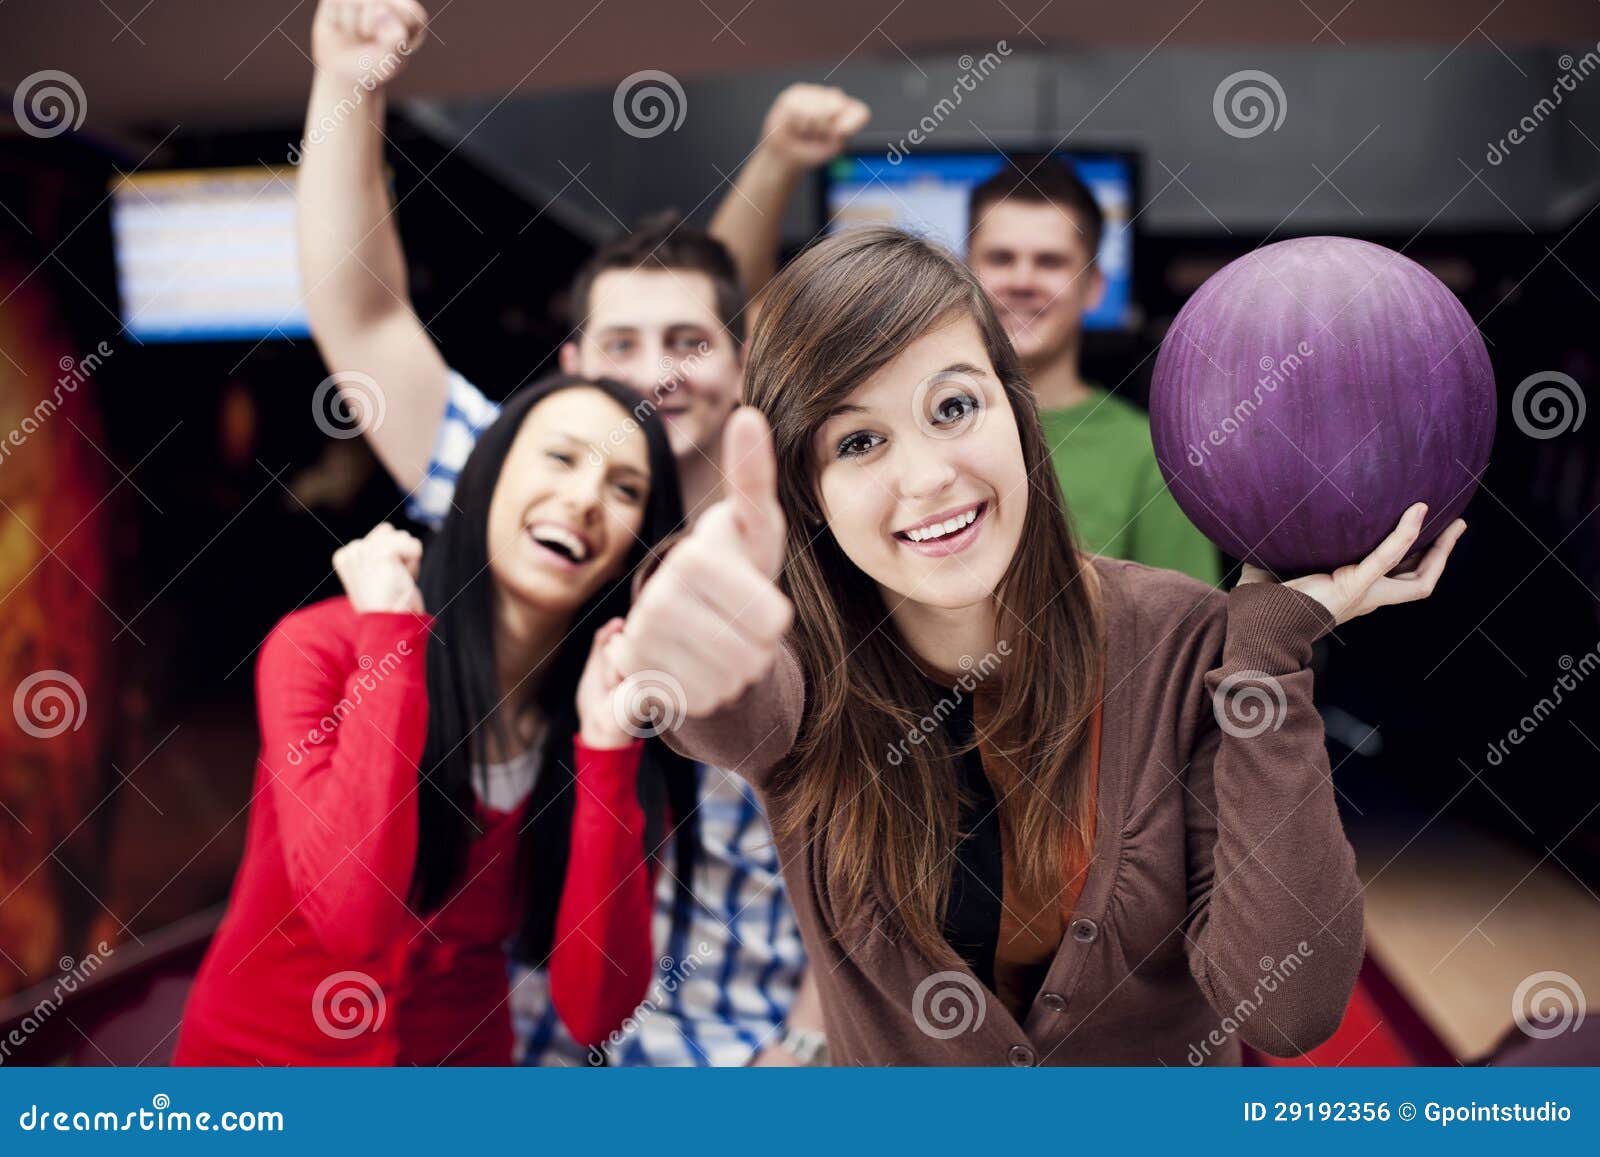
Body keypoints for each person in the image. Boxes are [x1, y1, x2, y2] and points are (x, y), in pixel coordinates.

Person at [608, 227, 1468, 1065]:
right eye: (858, 441)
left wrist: (1271, 653)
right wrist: (685, 625)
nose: (929, 475)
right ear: (810, 491)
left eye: (954, 406)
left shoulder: (1186, 638)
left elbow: (1287, 1008)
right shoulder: (799, 668)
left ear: (1015, 411)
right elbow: (722, 702)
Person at [295, 0, 816, 1065]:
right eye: (621, 340)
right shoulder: (516, 483)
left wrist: (808, 1048)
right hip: (535, 1048)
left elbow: (879, 830)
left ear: (739, 357)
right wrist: (346, 84)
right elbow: (365, 316)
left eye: (686, 340)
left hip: (744, 1051)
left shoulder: (815, 542)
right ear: (574, 367)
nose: (654, 369)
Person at [176, 374, 688, 1065]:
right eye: (561, 458)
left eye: (625, 488)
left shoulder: (616, 705)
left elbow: (597, 1010)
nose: (584, 497)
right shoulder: (323, 647)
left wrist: (606, 748)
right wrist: (390, 639)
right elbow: (352, 918)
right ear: (484, 477)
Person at [713, 105, 1220, 583]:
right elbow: (732, 315)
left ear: (1094, 287)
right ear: (963, 275)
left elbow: (1184, 637)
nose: (1023, 280)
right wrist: (777, 158)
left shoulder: (1147, 454)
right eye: (1001, 258)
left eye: (1050, 262)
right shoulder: (874, 406)